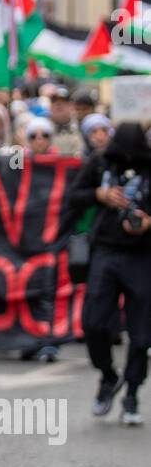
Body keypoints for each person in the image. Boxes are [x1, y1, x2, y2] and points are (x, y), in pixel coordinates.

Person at [64, 123, 151, 425]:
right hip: (106, 251)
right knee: (93, 321)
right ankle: (108, 376)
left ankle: (132, 394)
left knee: (141, 333)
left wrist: (147, 220)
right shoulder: (101, 163)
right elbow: (73, 196)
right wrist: (100, 194)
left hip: (142, 256)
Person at [48, 86, 84, 156]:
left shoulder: (82, 127)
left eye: (64, 101)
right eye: (54, 101)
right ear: (50, 106)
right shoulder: (41, 129)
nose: (59, 104)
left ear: (71, 106)